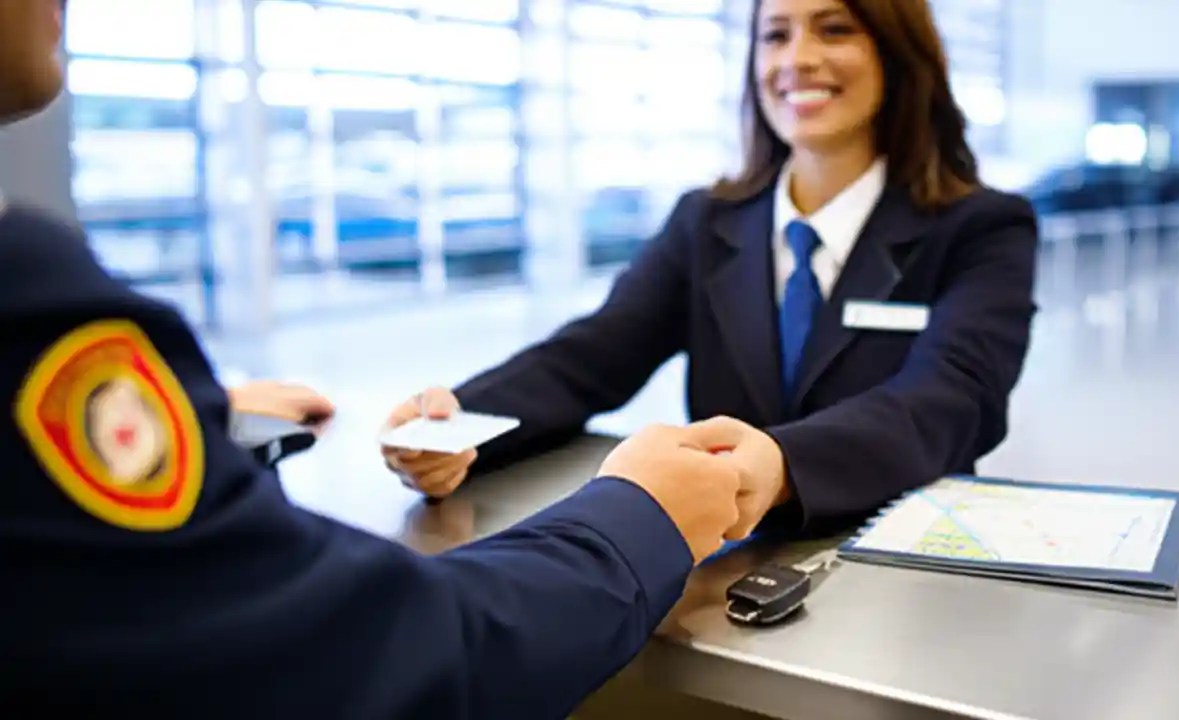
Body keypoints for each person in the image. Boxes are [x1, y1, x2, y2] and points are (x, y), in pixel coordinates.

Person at [0, 2, 755, 716]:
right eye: (777, 35)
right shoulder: (29, 310)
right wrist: (637, 516)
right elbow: (375, 656)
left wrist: (194, 424)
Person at [384, 0, 1040, 538]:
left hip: (902, 558)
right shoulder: (707, 223)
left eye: (835, 28)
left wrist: (784, 463)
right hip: (728, 556)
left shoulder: (981, 228)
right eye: (774, 35)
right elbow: (592, 356)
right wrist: (460, 423)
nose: (797, 58)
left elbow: (952, 399)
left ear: (899, 56)